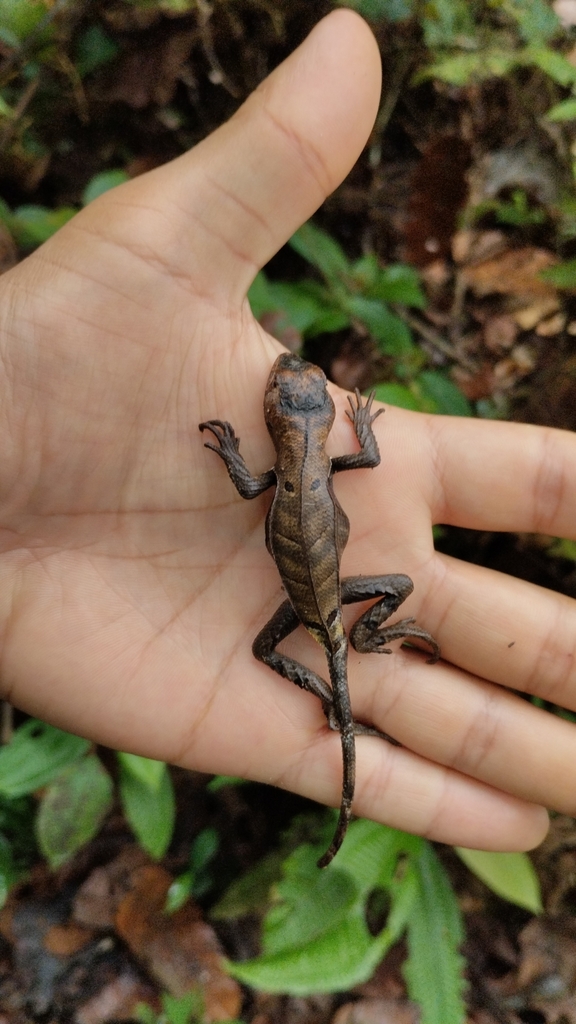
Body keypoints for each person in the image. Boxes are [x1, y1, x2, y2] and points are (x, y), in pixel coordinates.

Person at [0, 8, 573, 854]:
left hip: (319, 593)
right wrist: (326, 438)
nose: (292, 390)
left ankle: (351, 659)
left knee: (311, 636)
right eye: (294, 397)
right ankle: (359, 654)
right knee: (368, 610)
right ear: (298, 424)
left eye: (293, 396)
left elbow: (262, 482)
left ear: (288, 425)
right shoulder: (319, 463)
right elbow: (359, 457)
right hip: (327, 591)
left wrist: (242, 453)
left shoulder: (289, 471)